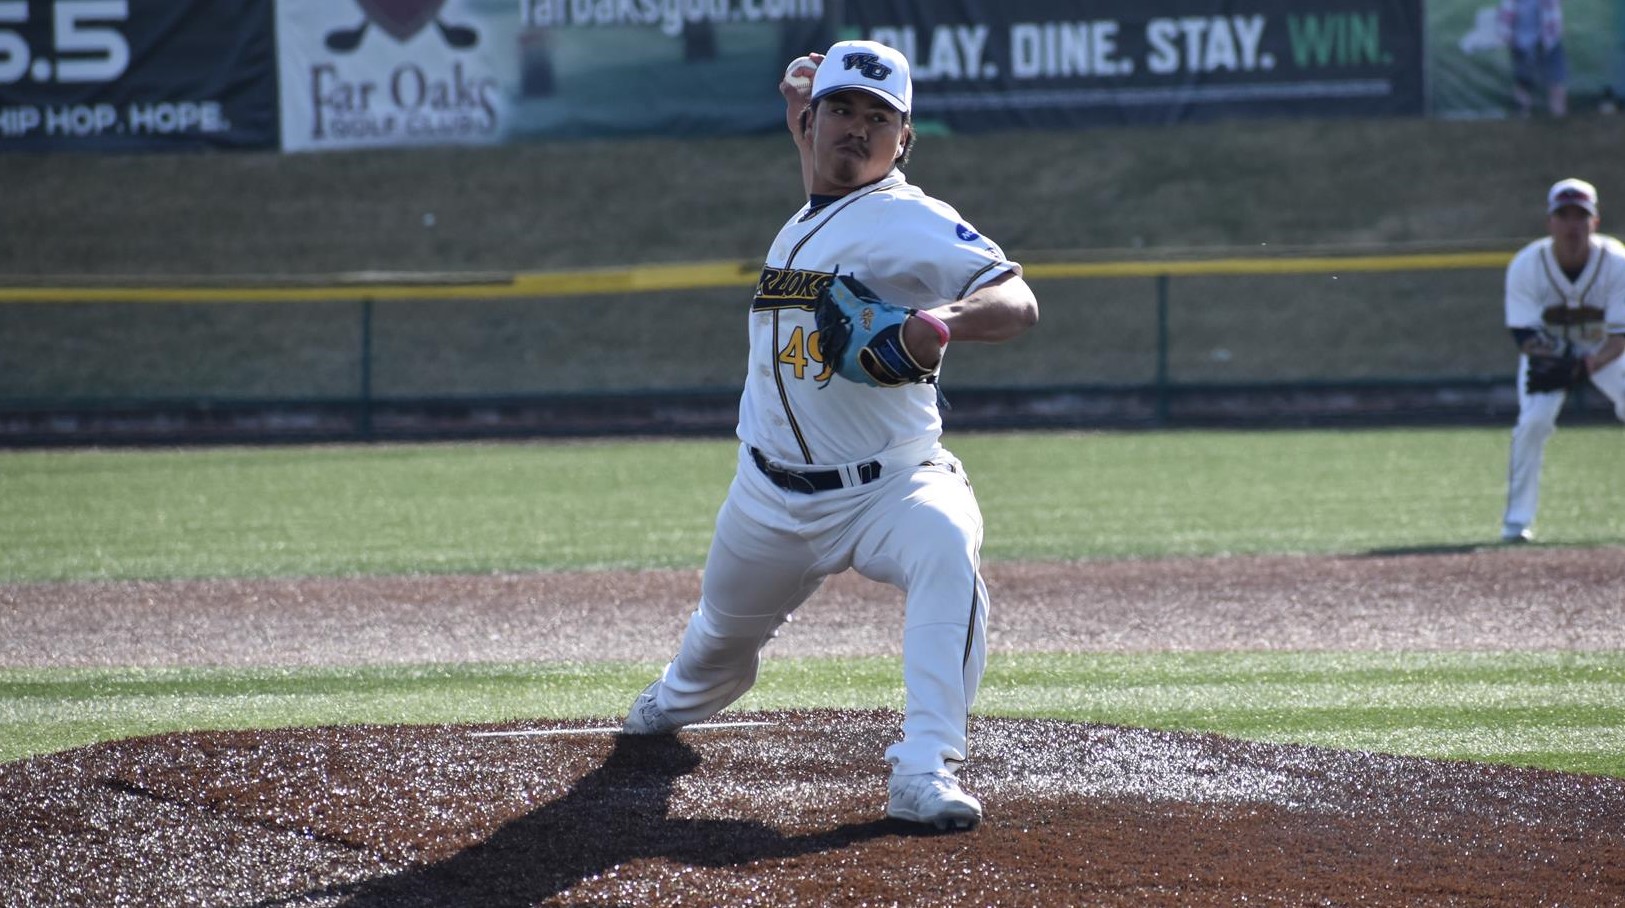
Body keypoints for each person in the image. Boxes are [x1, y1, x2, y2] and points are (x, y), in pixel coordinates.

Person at [621, 39, 1039, 832]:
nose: (857, 129)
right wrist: (797, 108)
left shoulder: (909, 219)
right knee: (709, 661)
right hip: (769, 498)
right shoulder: (817, 205)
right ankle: (674, 701)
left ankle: (924, 769)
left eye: (878, 119)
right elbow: (822, 165)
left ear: (903, 142)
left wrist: (933, 326)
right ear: (808, 123)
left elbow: (1017, 303)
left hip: (893, 484)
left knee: (947, 547)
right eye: (841, 111)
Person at [1500, 178, 1625, 543]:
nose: (1572, 224)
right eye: (1564, 215)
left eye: (1580, 216)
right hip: (1551, 353)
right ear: (1549, 222)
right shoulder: (1526, 265)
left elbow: (1621, 337)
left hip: (1606, 351)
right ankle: (1515, 523)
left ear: (1595, 221)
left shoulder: (1617, 263)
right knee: (1533, 423)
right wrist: (1560, 361)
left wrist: (1585, 366)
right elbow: (1523, 336)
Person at [1499, 0, 1569, 117]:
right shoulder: (1510, 2)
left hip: (1549, 41)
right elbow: (1504, 20)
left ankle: (1558, 118)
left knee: (1556, 82)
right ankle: (1522, 118)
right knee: (1523, 83)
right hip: (1521, 44)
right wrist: (1507, 38)